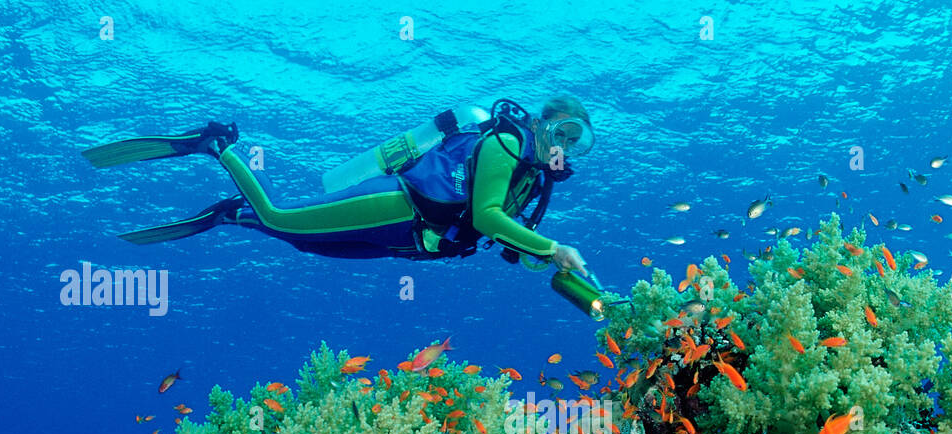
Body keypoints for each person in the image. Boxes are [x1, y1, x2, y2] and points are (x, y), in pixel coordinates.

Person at [82, 97, 592, 277]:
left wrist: (538, 251)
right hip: (398, 210)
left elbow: (496, 232)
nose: (567, 148)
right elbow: (484, 217)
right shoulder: (507, 141)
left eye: (579, 143)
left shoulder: (532, 177)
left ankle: (231, 214)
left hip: (408, 244)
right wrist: (553, 248)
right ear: (545, 123)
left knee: (300, 242)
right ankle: (217, 145)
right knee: (282, 218)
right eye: (565, 133)